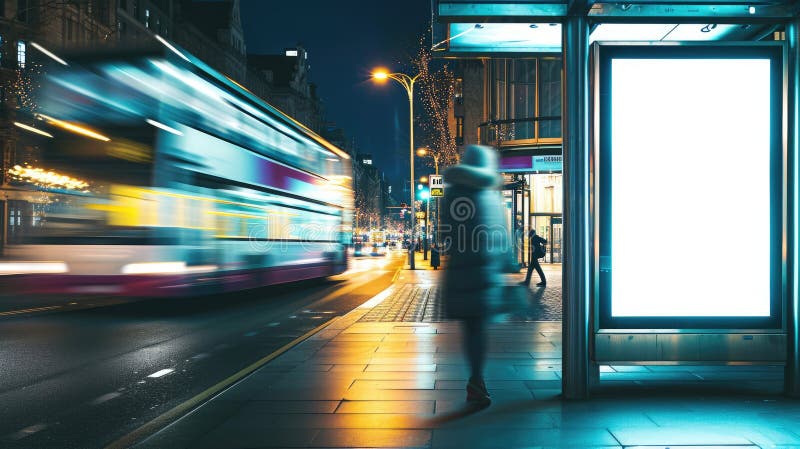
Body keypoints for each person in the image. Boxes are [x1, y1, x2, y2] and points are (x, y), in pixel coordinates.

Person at [441, 145, 507, 408]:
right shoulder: (489, 194)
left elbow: (446, 236)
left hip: (459, 271)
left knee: (471, 327)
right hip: (483, 270)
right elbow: (500, 235)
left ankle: (476, 380)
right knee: (479, 327)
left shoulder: (451, 193)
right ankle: (477, 380)